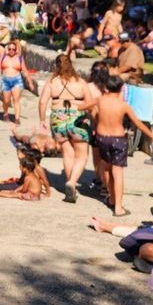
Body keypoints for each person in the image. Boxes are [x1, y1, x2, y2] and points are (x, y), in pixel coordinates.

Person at [88, 75, 153, 216]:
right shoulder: (123, 106)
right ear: (121, 89)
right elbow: (139, 124)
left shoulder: (100, 100)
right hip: (118, 139)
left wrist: (94, 116)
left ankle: (111, 198)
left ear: (105, 88)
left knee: (106, 168)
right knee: (117, 172)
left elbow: (82, 106)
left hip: (102, 137)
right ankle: (118, 207)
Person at [39, 54, 95, 203]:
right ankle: (72, 182)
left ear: (56, 65)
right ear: (71, 64)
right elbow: (90, 103)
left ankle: (71, 188)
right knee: (82, 155)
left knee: (67, 153)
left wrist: (42, 120)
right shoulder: (80, 82)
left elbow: (43, 101)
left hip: (58, 119)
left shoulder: (52, 82)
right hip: (77, 118)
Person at [0, 42, 33, 124]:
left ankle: (17, 119)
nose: (11, 51)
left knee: (16, 100)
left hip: (17, 80)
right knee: (6, 101)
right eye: (10, 49)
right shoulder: (3, 57)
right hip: (5, 80)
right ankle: (5, 114)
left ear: (16, 50)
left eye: (13, 49)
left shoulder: (19, 58)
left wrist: (30, 82)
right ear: (7, 49)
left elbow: (25, 71)